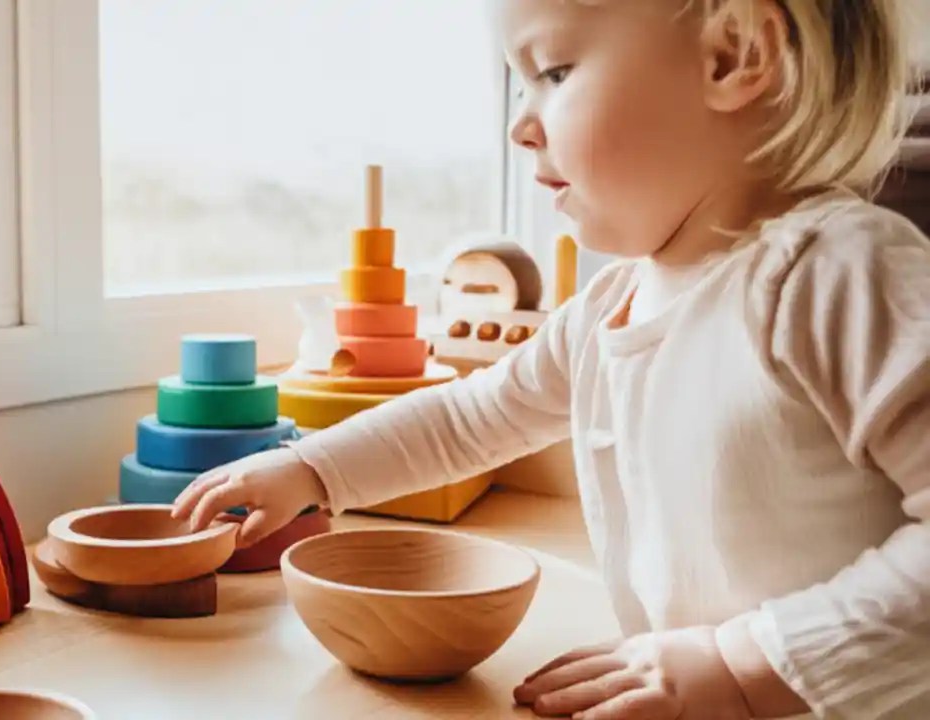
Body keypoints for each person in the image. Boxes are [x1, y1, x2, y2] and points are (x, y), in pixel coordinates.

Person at [173, 0, 929, 717]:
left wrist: (744, 665)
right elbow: (471, 417)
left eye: (556, 72)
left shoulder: (838, 271)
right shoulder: (608, 307)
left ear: (734, 56)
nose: (520, 128)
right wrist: (312, 469)